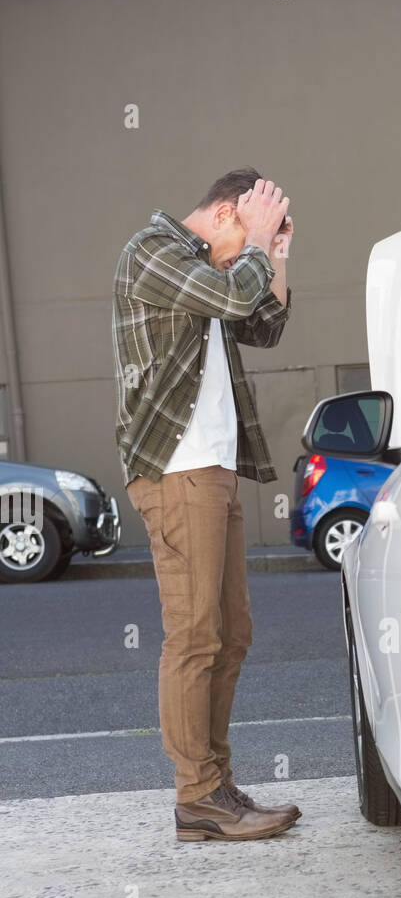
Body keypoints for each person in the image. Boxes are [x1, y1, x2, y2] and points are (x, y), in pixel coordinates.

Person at [111, 169, 302, 842]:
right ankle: (196, 796)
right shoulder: (153, 253)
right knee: (195, 634)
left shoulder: (218, 271)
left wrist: (274, 252)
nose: (249, 246)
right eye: (245, 228)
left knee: (232, 631)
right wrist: (253, 246)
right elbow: (230, 294)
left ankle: (215, 785)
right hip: (177, 470)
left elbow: (265, 323)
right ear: (225, 213)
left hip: (215, 470)